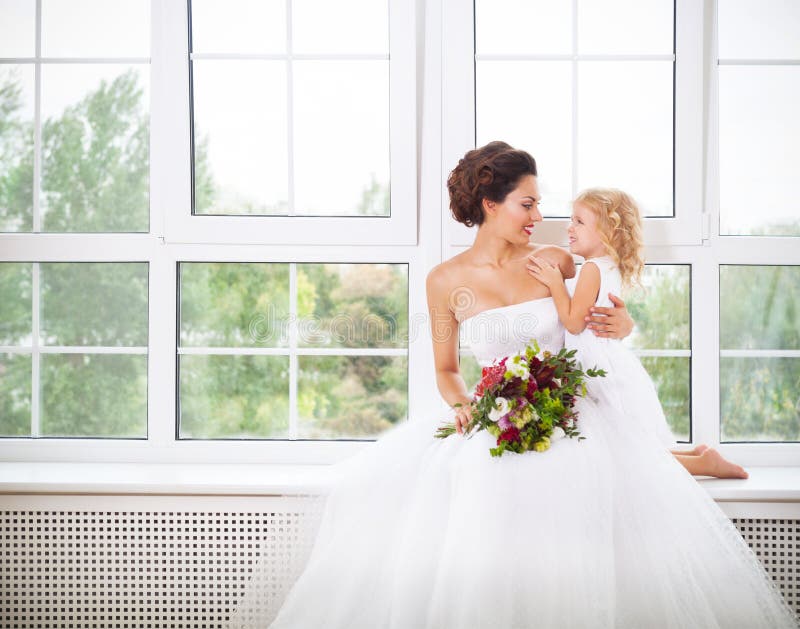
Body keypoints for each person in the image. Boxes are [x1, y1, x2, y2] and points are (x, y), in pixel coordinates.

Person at [228, 142, 797, 628]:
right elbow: (448, 371)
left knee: (585, 471)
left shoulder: (553, 259)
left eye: (540, 204)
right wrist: (462, 406)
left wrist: (627, 324)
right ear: (489, 204)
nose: (537, 214)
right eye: (527, 203)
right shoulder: (444, 281)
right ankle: (690, 460)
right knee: (470, 483)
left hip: (572, 408)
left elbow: (602, 299)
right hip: (496, 413)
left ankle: (694, 459)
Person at [527, 188, 749, 478]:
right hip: (605, 358)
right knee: (623, 440)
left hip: (593, 365)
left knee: (622, 449)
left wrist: (555, 283)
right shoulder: (607, 267)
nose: (570, 227)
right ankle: (694, 454)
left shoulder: (591, 269)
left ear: (608, 230)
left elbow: (573, 323)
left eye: (579, 222)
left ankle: (702, 464)